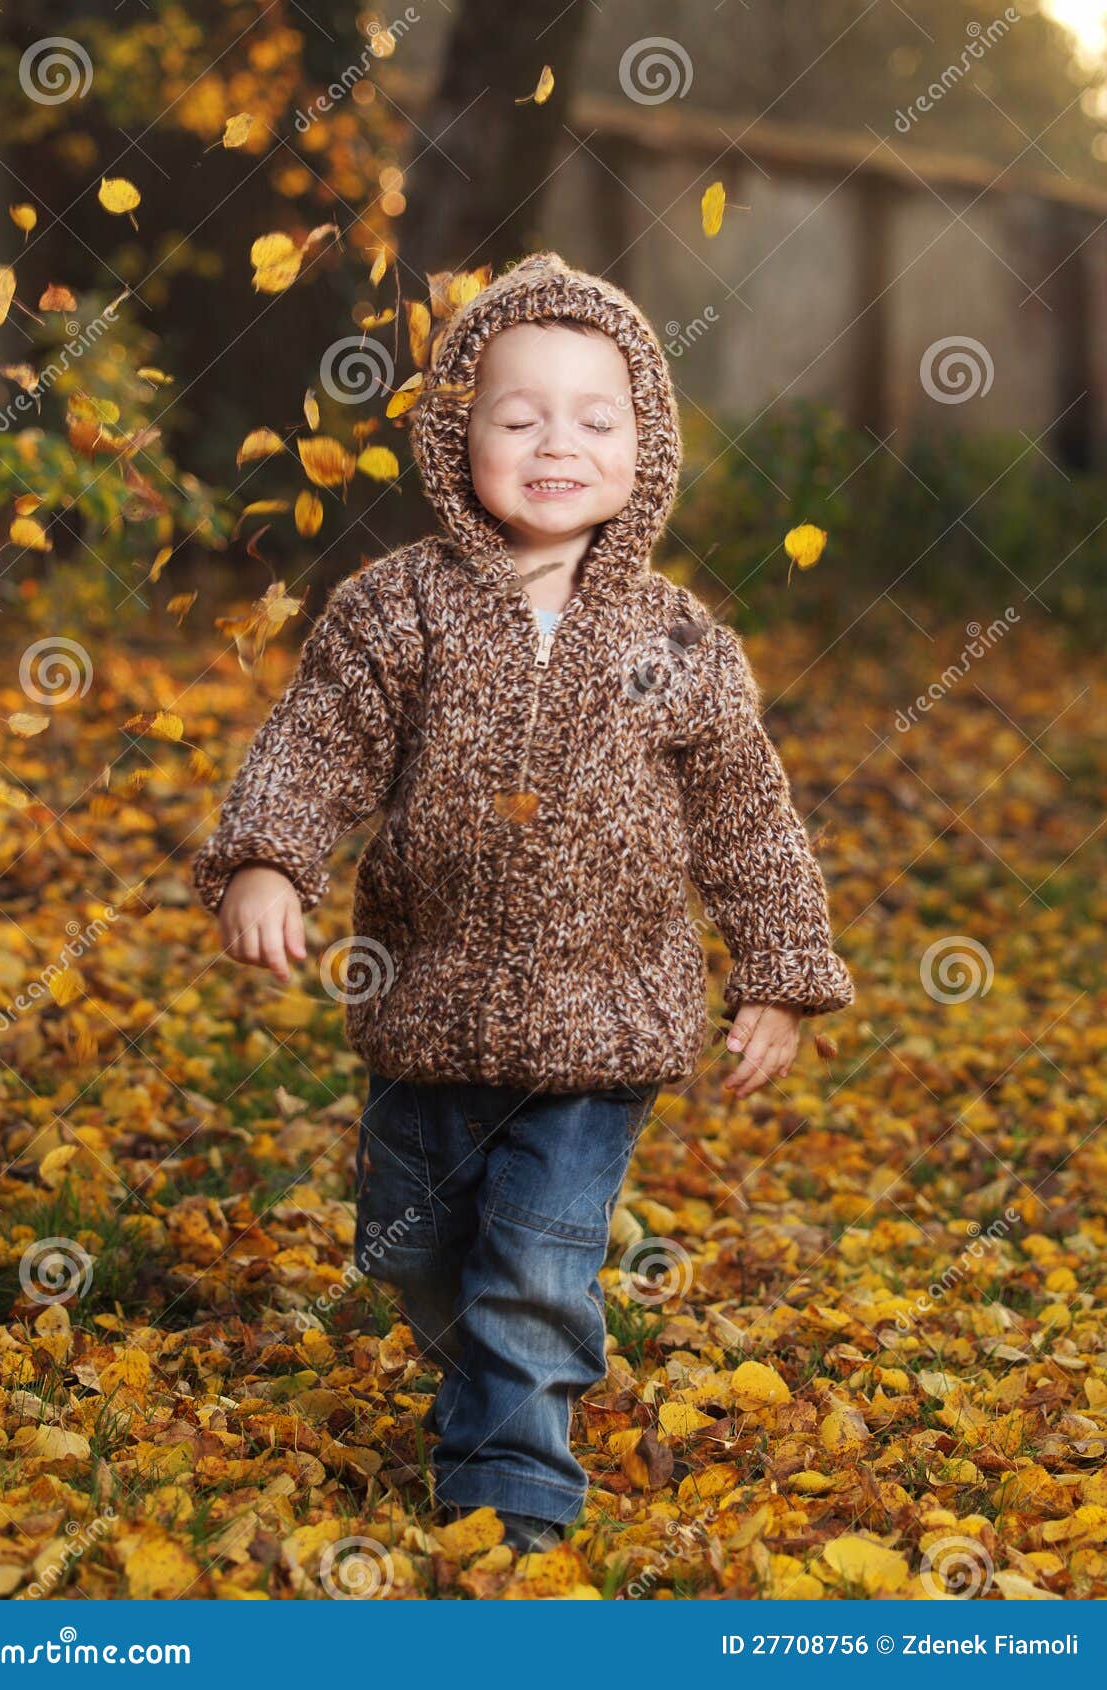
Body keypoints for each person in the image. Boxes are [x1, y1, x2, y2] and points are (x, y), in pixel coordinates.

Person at [192, 251, 855, 1555]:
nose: (558, 441)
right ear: (458, 440)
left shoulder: (675, 644)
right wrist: (269, 855)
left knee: (536, 1268)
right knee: (412, 1246)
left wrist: (781, 968)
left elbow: (745, 816)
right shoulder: (399, 610)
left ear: (645, 447)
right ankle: (478, 1373)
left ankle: (512, 1501)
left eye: (595, 418)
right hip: (423, 1005)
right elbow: (320, 741)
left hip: (602, 1025)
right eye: (518, 414)